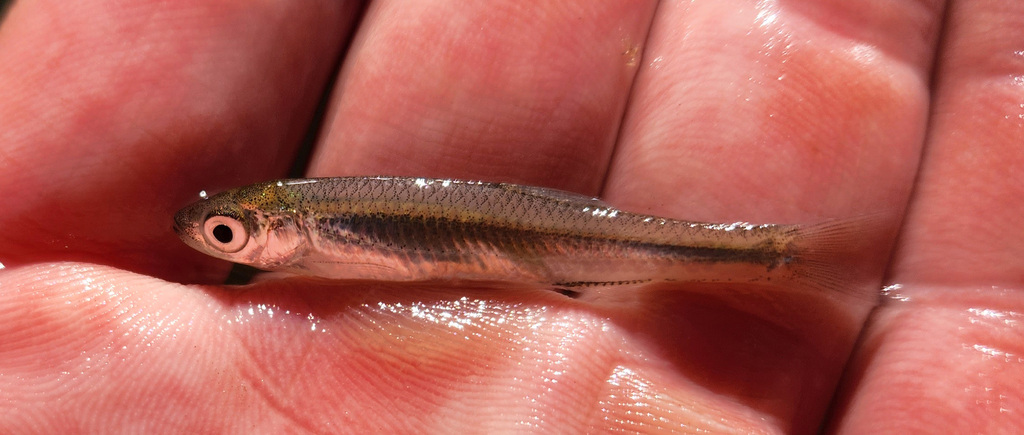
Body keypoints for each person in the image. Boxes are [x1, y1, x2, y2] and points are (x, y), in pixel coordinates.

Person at [0, 1, 1019, 433]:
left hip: (557, 244)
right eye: (227, 237)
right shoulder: (315, 224)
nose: (228, 250)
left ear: (276, 228)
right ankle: (768, 258)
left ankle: (772, 258)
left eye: (228, 237)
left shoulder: (314, 224)